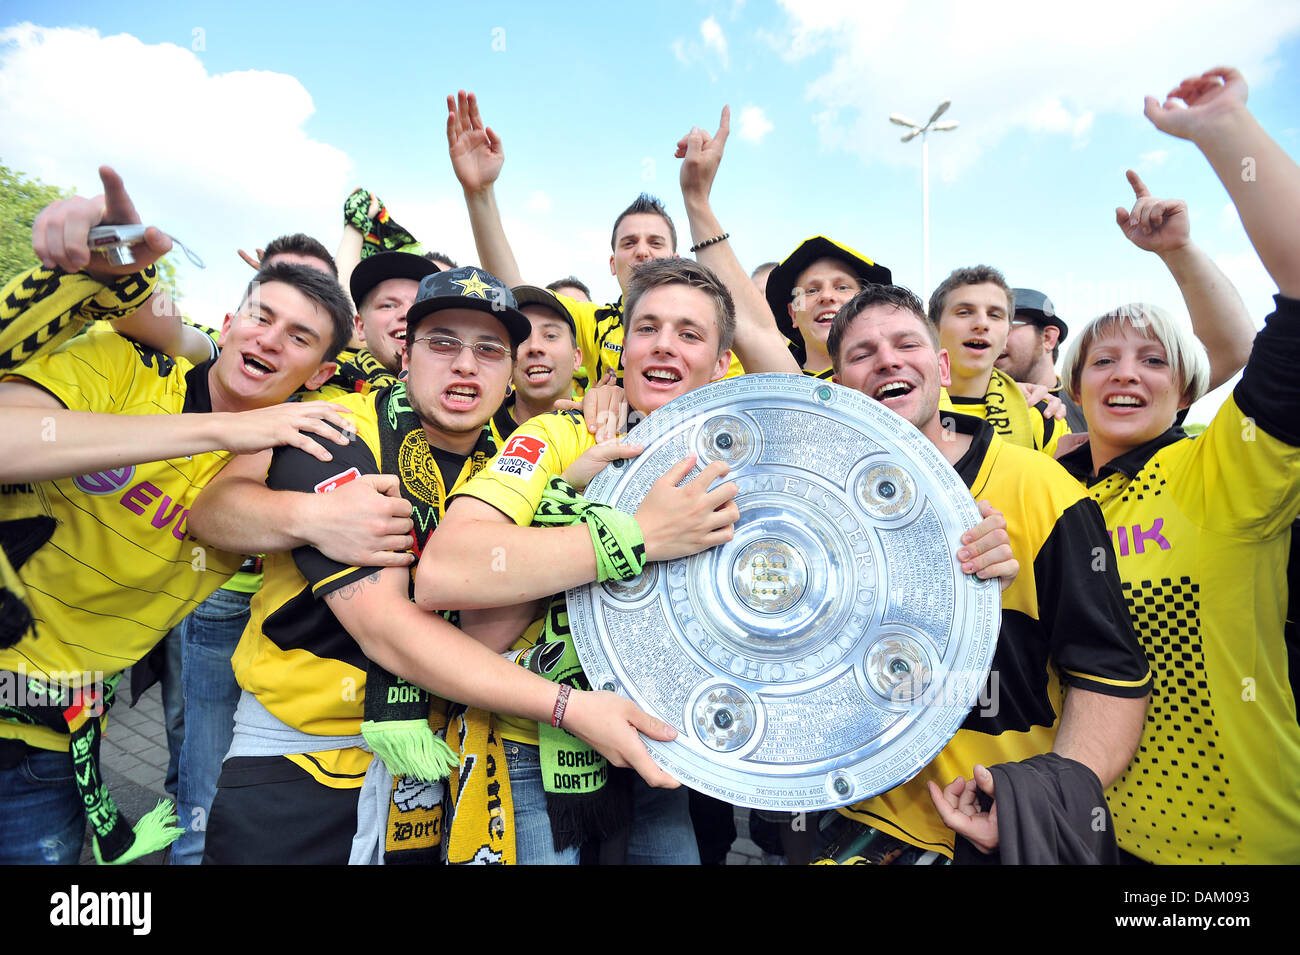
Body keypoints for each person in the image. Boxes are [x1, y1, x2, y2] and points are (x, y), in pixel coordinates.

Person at [671, 114, 1149, 861]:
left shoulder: (1040, 490)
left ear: (938, 358)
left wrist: (1043, 796)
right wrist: (700, 206)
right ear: (837, 376)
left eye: (903, 344)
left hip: (986, 831)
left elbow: (1111, 677)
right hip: (839, 828)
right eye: (859, 353)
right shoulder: (806, 484)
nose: (884, 361)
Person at [185, 266, 683, 864]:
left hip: (440, 768)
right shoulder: (340, 429)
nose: (466, 364)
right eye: (442, 342)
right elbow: (387, 629)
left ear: (509, 373)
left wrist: (577, 472)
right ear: (405, 353)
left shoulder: (513, 459)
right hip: (304, 762)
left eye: (490, 350)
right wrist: (306, 515)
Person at [0, 167, 361, 865]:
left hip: (44, 751)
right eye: (261, 316)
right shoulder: (127, 361)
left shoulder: (293, 456)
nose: (270, 339)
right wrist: (217, 430)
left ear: (320, 373)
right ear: (228, 322)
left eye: (300, 337)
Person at [1054, 66, 1300, 863]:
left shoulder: (1225, 468)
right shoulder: (1052, 493)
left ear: (1188, 385)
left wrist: (1225, 131)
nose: (1126, 373)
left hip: (1238, 850)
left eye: (1153, 360)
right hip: (1093, 841)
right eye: (1105, 361)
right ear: (1074, 388)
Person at [446, 90, 743, 396]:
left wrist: (698, 200)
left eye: (655, 242)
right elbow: (514, 290)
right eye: (628, 243)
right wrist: (480, 193)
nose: (641, 250)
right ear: (612, 264)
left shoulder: (712, 331)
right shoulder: (593, 321)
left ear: (676, 257)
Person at [995, 288, 1088, 433]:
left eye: (1007, 327)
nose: (993, 339)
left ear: (1048, 338)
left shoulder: (1089, 406)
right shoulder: (973, 400)